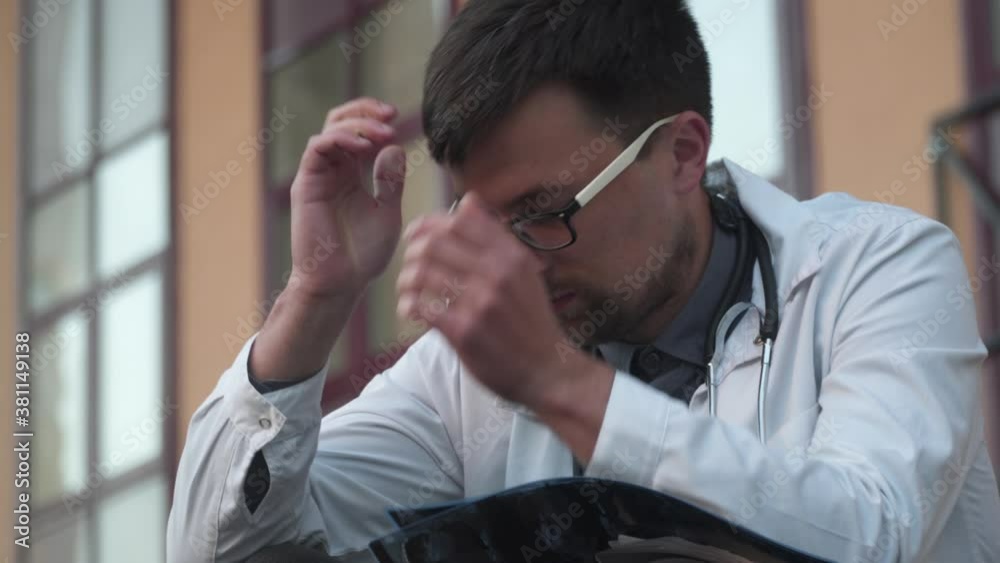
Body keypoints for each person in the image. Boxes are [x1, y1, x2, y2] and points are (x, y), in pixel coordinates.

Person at [167, 1, 1000, 562]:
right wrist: (313, 297)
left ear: (682, 151)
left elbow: (869, 533)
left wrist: (559, 381)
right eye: (484, 217)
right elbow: (222, 551)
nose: (516, 260)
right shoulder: (463, 378)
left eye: (543, 211)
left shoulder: (880, 266)